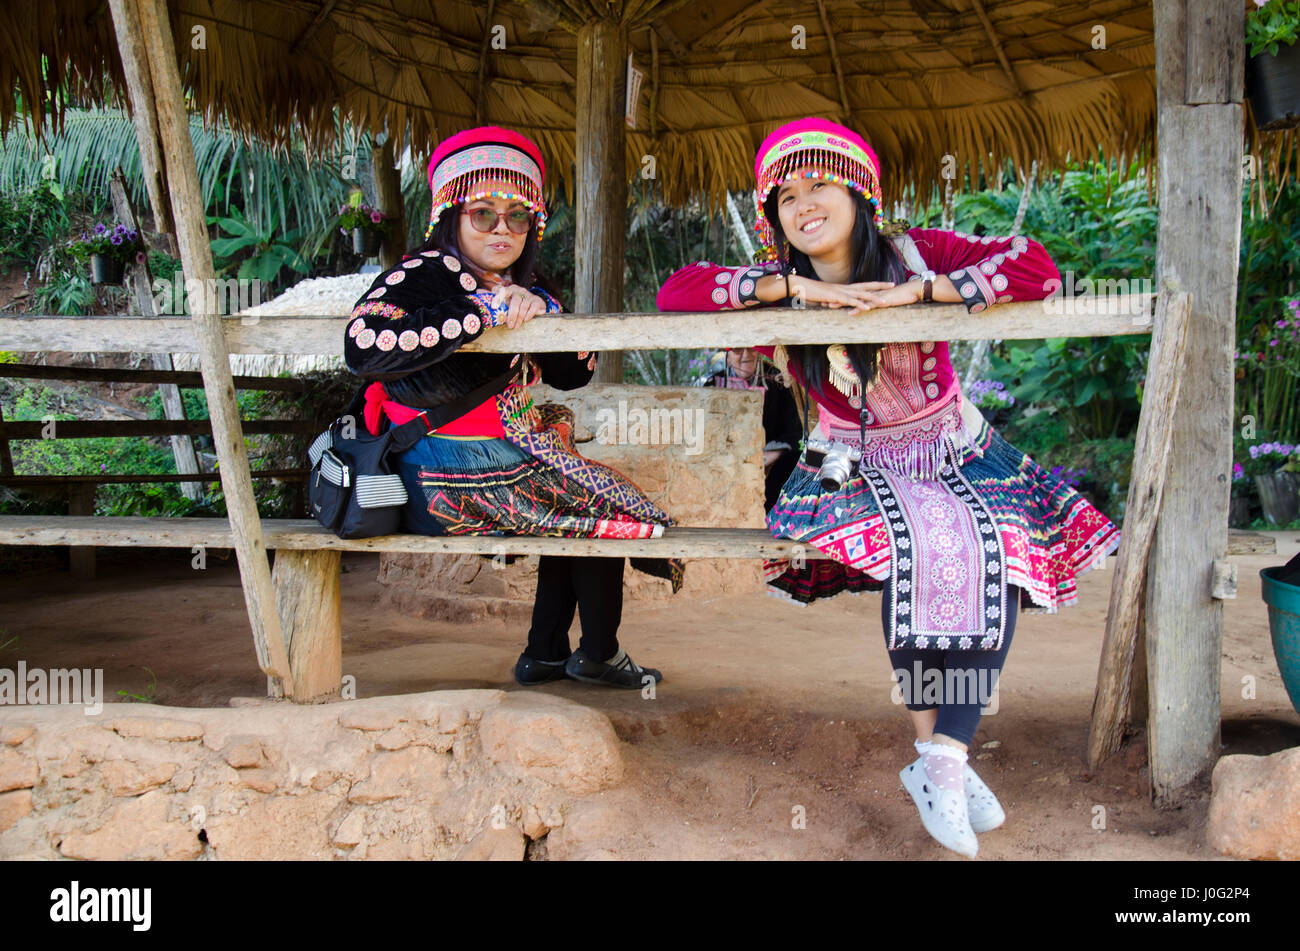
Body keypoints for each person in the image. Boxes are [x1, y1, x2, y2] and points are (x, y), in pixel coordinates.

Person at [657, 117, 1121, 857]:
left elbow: (1036, 267)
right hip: (857, 461)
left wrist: (922, 294)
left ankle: (943, 757)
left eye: (820, 184)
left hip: (953, 445)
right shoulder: (777, 292)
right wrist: (790, 286)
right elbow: (675, 294)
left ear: (859, 190)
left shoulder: (917, 250)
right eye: (787, 196)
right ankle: (940, 756)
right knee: (916, 549)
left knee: (987, 547)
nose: (804, 203)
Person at [344, 126, 680, 690]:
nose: (502, 228)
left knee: (579, 504)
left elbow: (577, 374)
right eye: (483, 214)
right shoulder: (420, 274)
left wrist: (543, 311)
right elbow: (363, 344)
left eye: (517, 217)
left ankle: (547, 654)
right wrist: (483, 312)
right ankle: (595, 654)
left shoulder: (526, 285)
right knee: (601, 511)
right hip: (434, 475)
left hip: (495, 459)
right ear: (451, 215)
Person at [702, 348, 802, 511]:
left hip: (770, 464)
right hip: (727, 465)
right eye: (738, 350)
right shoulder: (713, 385)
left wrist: (762, 460)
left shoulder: (778, 381)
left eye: (752, 349)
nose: (746, 355)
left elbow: (792, 432)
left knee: (792, 464)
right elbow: (707, 436)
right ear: (727, 355)